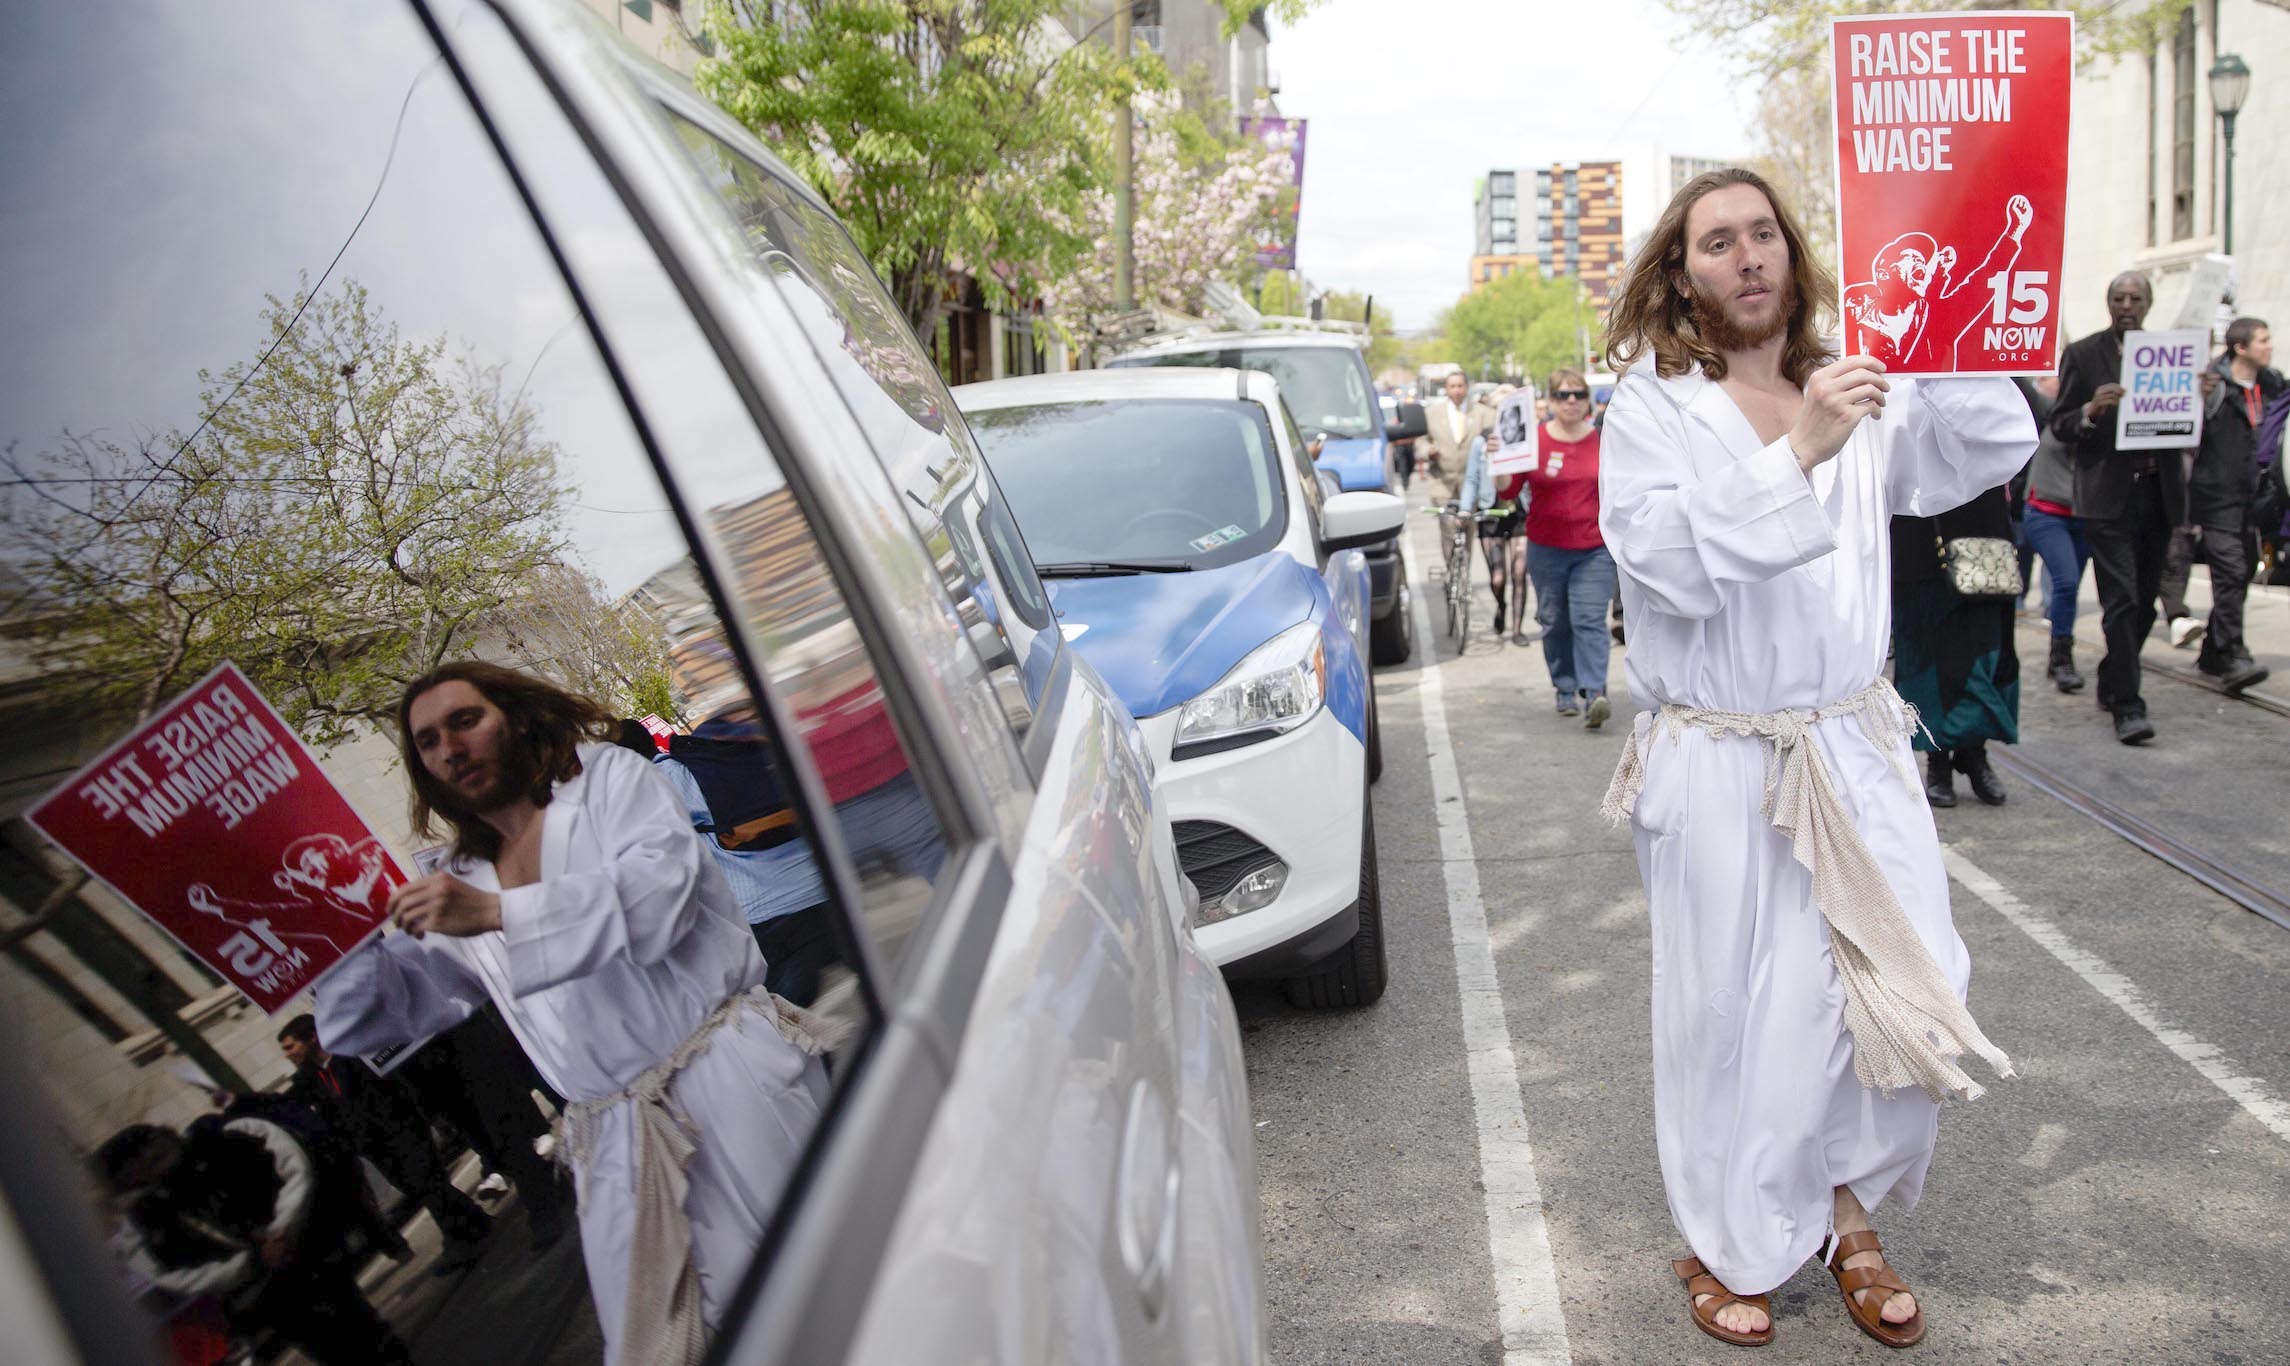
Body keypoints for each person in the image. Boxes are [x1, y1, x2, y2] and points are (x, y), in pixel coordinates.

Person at [1598, 167, 2026, 1349]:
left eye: (1762, 234)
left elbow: (1988, 444)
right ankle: (1728, 1235)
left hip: (1851, 743)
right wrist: (1798, 452)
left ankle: (1845, 1208)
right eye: (1716, 242)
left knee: (1892, 983)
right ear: (1681, 272)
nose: (1745, 256)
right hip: (1722, 757)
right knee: (1733, 1013)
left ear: (1792, 252)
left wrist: (1945, 342)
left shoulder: (1851, 379)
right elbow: (1659, 560)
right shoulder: (1655, 403)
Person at [317, 661, 833, 1365]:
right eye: (428, 741)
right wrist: (328, 931)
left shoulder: (607, 782)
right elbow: (371, 1022)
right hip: (613, 1136)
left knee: (814, 1287)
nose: (450, 748)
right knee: (657, 1343)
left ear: (517, 717)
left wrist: (501, 913)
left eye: (465, 721)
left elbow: (660, 897)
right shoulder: (457, 878)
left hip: (727, 1078)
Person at [95, 1121, 413, 1365]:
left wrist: (282, 1230)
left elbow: (291, 1169)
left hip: (306, 1257)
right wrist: (252, 1263)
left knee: (368, 1331)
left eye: (156, 1152)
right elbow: (174, 1275)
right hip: (262, 1293)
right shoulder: (144, 1221)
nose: (155, 1162)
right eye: (144, 1163)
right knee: (334, 1351)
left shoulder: (225, 1143)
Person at [2052, 272, 2174, 744]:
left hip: (2158, 494)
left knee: (2143, 604)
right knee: (2121, 600)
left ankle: (2112, 674)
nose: (2127, 305)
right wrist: (2090, 411)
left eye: (2135, 298)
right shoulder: (2084, 353)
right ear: (2108, 303)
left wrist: (2200, 397)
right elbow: (2060, 422)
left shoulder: (2170, 354)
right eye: (2119, 298)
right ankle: (2128, 705)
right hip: (2106, 498)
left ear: (2148, 304)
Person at [279, 1013, 494, 1274]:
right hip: (372, 1147)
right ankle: (476, 1220)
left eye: (291, 1046)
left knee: (427, 1183)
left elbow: (388, 1087)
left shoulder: (353, 1054)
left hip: (400, 1128)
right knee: (421, 1189)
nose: (288, 1055)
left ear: (312, 1037)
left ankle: (457, 1241)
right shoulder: (307, 1080)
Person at [1890, 485, 2020, 807]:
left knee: (1984, 649)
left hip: (1982, 530)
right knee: (1927, 654)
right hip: (1921, 530)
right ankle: (1937, 757)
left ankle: (1973, 750)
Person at [2185, 317, 2280, 692]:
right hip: (2216, 498)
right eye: (2263, 340)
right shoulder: (2212, 385)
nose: (2270, 346)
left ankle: (2212, 651)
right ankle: (2233, 654)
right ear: (2240, 348)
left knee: (2241, 574)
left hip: (2253, 500)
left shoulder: (2272, 383)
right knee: (2230, 571)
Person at [1524, 367, 1616, 725]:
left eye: (1579, 394)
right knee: (1554, 622)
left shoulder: (1602, 440)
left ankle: (1594, 693)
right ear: (1551, 400)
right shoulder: (1534, 441)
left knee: (1589, 620)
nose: (1572, 401)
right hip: (1546, 548)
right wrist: (1499, 460)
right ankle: (1565, 687)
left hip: (1594, 549)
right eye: (1564, 395)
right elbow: (1508, 489)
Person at [2016, 377, 2089, 691]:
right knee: (2066, 581)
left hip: (2085, 515)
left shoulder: (2104, 423)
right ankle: (2062, 656)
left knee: (2069, 589)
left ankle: (2058, 654)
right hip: (2046, 512)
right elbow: (2021, 383)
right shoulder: (2051, 412)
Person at [1472, 385, 1531, 640]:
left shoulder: (1526, 438)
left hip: (1519, 511)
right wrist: (1465, 508)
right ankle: (1501, 606)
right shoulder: (1481, 441)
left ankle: (1517, 629)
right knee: (1498, 577)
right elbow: (1472, 478)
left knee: (1519, 573)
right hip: (1491, 512)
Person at [1419, 369, 1490, 502]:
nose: (1456, 390)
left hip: (1474, 486)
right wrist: (1428, 451)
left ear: (1467, 387)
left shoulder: (1483, 413)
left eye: (1460, 386)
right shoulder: (1431, 413)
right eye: (1452, 386)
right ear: (1446, 388)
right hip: (1442, 486)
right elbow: (1421, 441)